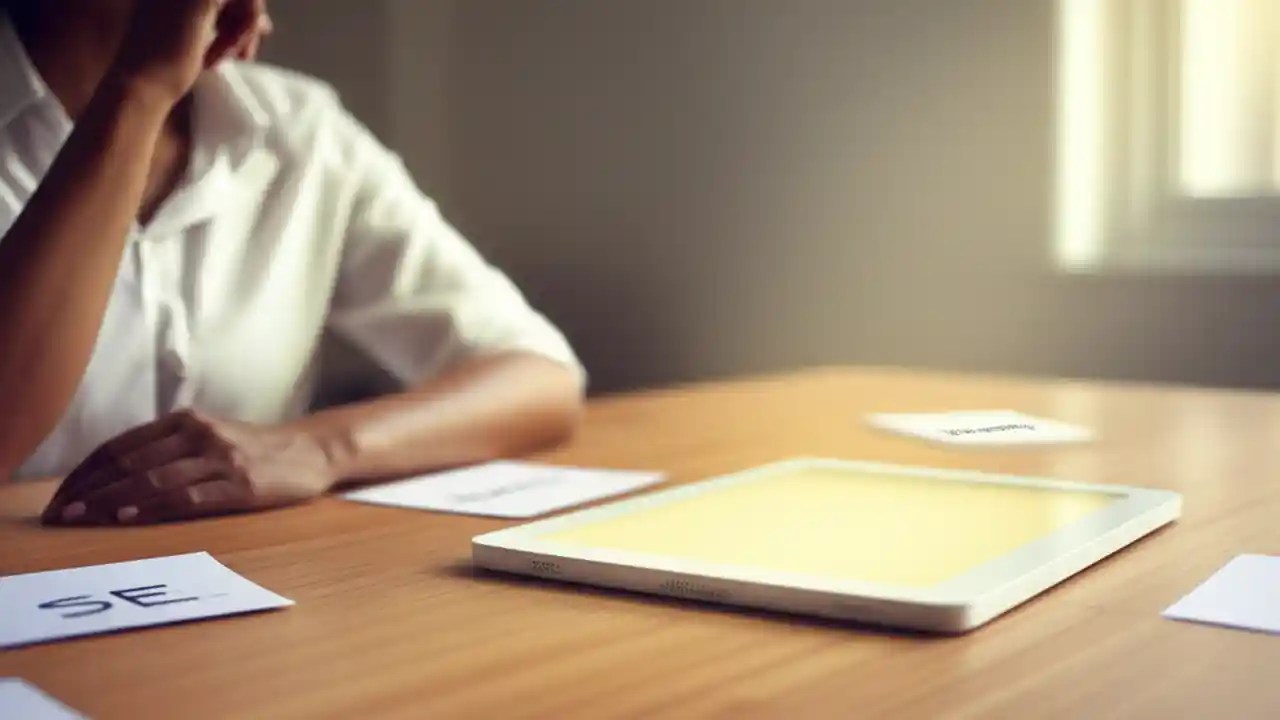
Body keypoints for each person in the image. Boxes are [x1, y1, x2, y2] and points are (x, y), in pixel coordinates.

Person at [0, 0, 586, 526]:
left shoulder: (299, 130)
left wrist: (319, 448)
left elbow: (539, 375)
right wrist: (140, 88)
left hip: (237, 594)